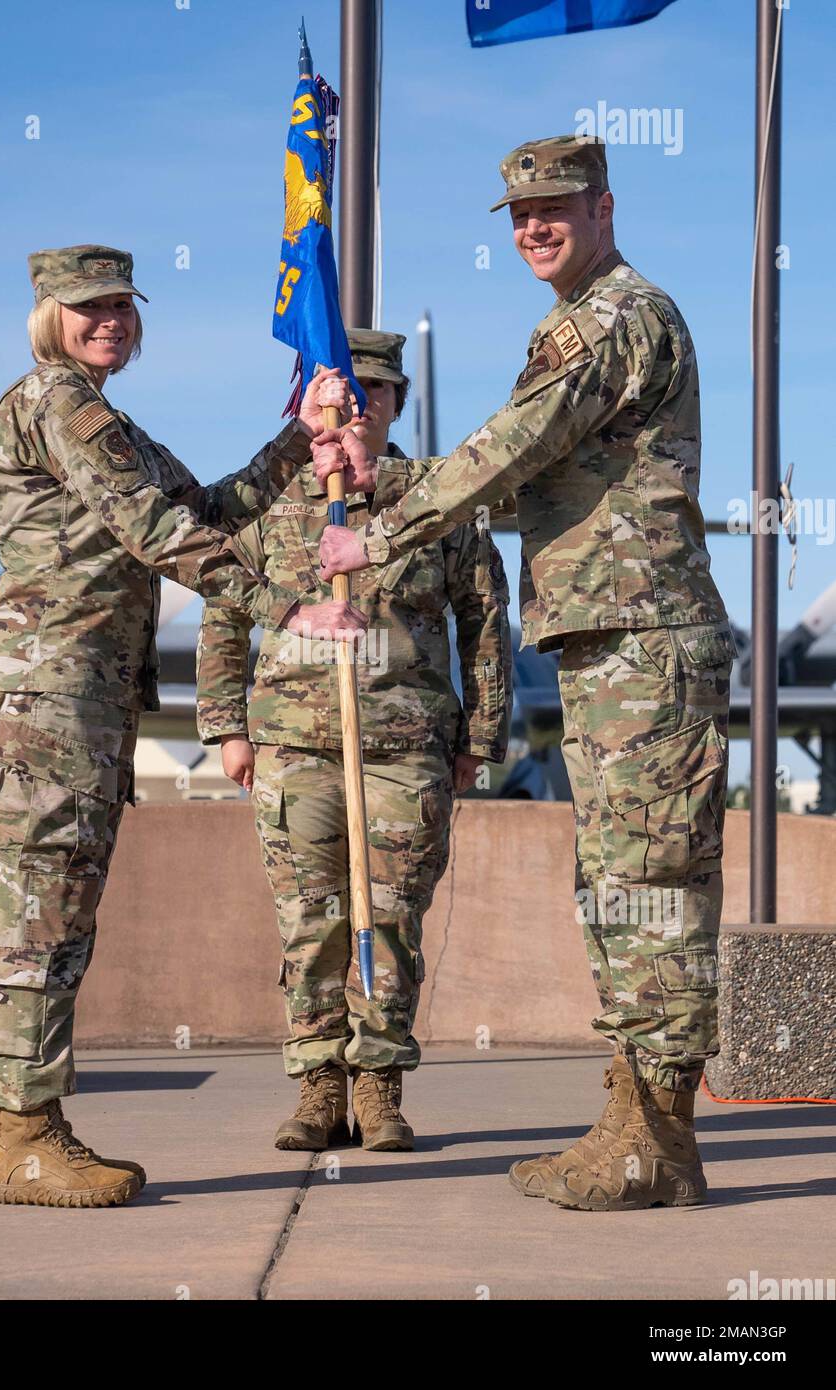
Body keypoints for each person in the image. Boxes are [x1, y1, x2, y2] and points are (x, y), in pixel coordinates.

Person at [312, 139, 736, 1211]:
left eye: (553, 207)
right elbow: (531, 473)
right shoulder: (585, 320)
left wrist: (382, 527)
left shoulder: (612, 316)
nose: (533, 227)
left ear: (603, 207)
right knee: (618, 885)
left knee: (651, 885)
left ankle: (657, 1139)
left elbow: (513, 444)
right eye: (517, 214)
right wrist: (380, 476)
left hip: (642, 639)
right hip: (609, 640)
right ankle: (633, 1120)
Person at [0, 244, 360, 1207]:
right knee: (39, 914)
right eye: (88, 306)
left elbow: (207, 509)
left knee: (62, 913)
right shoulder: (54, 399)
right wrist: (286, 606)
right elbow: (152, 529)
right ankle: (21, 1137)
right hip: (47, 690)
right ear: (48, 316)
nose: (110, 319)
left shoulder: (112, 423)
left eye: (122, 305)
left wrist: (297, 441)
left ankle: (32, 1127)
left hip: (84, 697)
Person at [196, 329, 511, 1152]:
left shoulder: (438, 500)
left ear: (399, 400)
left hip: (405, 748)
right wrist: (225, 726)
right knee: (311, 921)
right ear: (312, 401)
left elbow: (483, 619)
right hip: (296, 744)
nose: (358, 405)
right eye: (344, 390)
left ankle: (378, 1084)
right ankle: (318, 1086)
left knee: (392, 918)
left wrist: (481, 735)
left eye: (376, 390)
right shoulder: (271, 500)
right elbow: (224, 613)